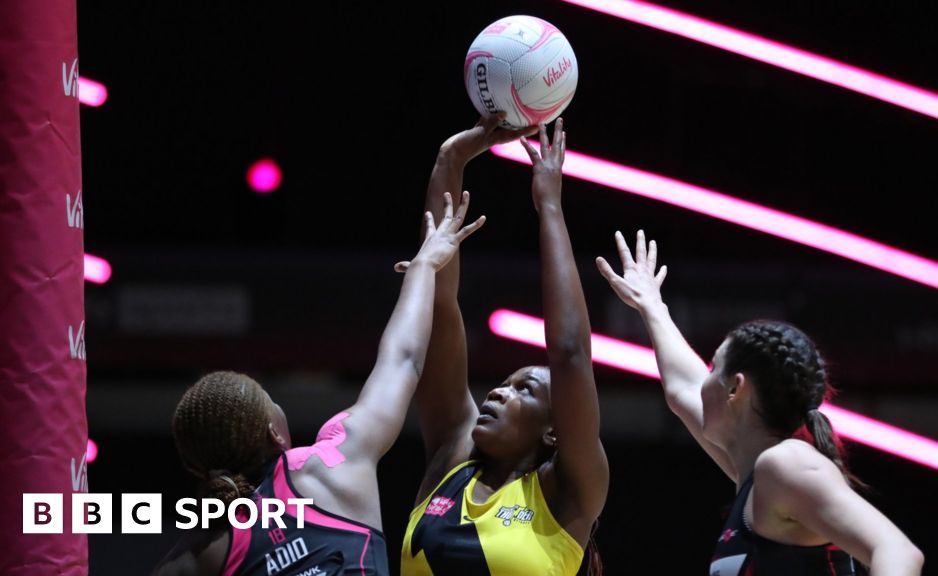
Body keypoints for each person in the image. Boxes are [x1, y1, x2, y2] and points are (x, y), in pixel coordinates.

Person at [154, 191, 486, 576]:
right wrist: (424, 267)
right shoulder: (330, 466)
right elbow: (404, 359)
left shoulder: (198, 553)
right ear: (275, 432)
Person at [596, 230, 925, 576]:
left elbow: (898, 552)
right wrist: (652, 307)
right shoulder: (758, 476)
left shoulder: (784, 465)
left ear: (736, 389)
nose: (703, 378)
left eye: (713, 367)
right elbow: (684, 390)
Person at [399, 116, 609, 576]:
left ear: (554, 431)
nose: (497, 393)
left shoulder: (569, 493)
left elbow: (571, 352)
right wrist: (450, 160)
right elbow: (439, 307)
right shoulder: (451, 458)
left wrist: (549, 206)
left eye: (525, 391)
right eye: (504, 385)